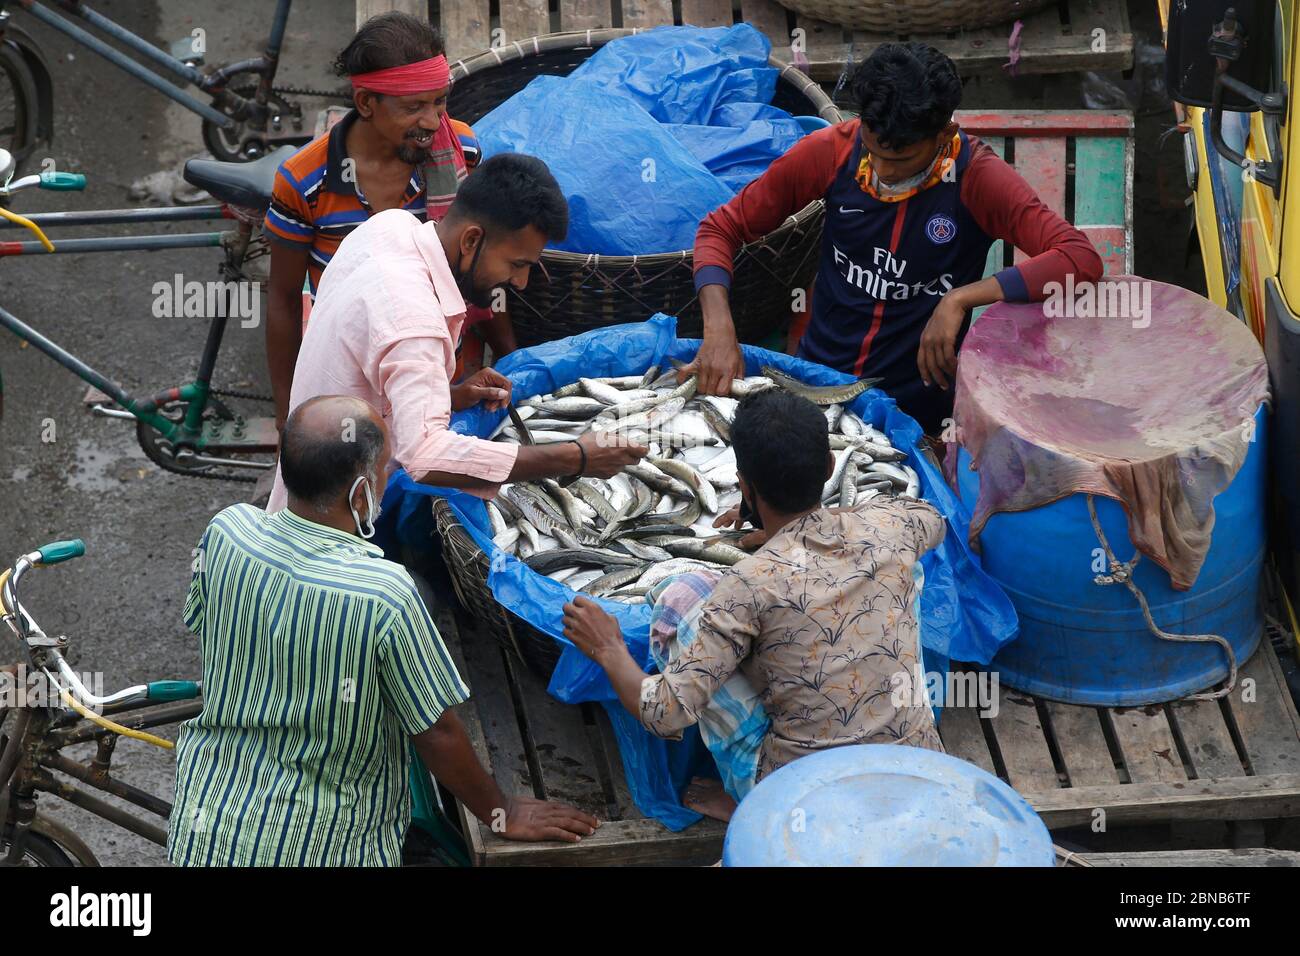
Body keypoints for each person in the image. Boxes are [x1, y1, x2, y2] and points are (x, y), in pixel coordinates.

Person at [169, 395, 600, 866]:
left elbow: (215, 630)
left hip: (204, 828)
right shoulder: (383, 592)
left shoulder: (227, 530)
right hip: (320, 845)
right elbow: (436, 731)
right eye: (384, 472)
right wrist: (503, 812)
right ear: (360, 495)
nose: (389, 479)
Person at [562, 388, 947, 822]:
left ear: (744, 485)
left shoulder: (746, 586)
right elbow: (932, 521)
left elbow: (666, 713)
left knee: (684, 595)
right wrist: (805, 539)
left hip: (802, 801)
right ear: (828, 467)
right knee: (905, 568)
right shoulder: (890, 524)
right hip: (917, 768)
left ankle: (750, 801)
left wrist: (609, 647)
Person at [683, 42, 1104, 433]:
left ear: (945, 134)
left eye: (901, 158)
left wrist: (960, 298)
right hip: (816, 383)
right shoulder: (831, 151)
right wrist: (719, 328)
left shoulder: (978, 179)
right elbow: (720, 229)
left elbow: (1079, 259)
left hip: (916, 408)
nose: (883, 170)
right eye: (874, 151)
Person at [265, 152, 647, 514]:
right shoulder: (414, 318)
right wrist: (576, 457)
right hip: (334, 523)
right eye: (517, 264)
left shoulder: (390, 227)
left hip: (306, 486)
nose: (521, 282)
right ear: (471, 240)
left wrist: (448, 395)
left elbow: (367, 368)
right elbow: (425, 454)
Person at [264, 12, 514, 432]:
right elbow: (284, 301)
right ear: (366, 104)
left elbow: (481, 272)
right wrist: (288, 419)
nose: (433, 123)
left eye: (439, 102)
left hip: (444, 367)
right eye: (414, 107)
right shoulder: (306, 182)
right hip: (352, 377)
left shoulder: (460, 152)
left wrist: (514, 361)